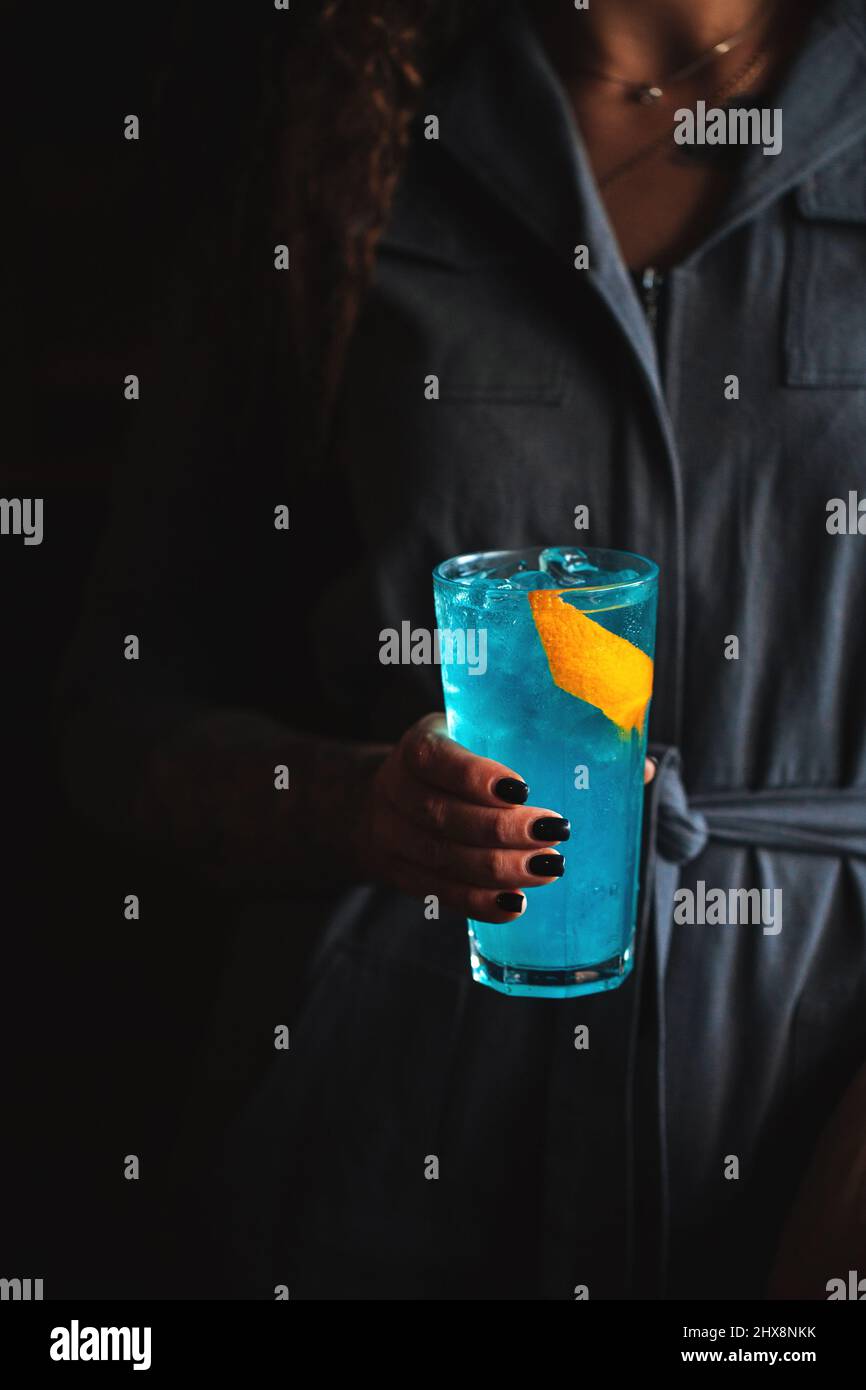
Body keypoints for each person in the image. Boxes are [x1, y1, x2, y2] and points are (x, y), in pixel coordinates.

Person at [60, 0, 866, 1299]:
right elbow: (112, 711)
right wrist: (346, 803)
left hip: (807, 1150)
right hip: (377, 1165)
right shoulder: (339, 148)